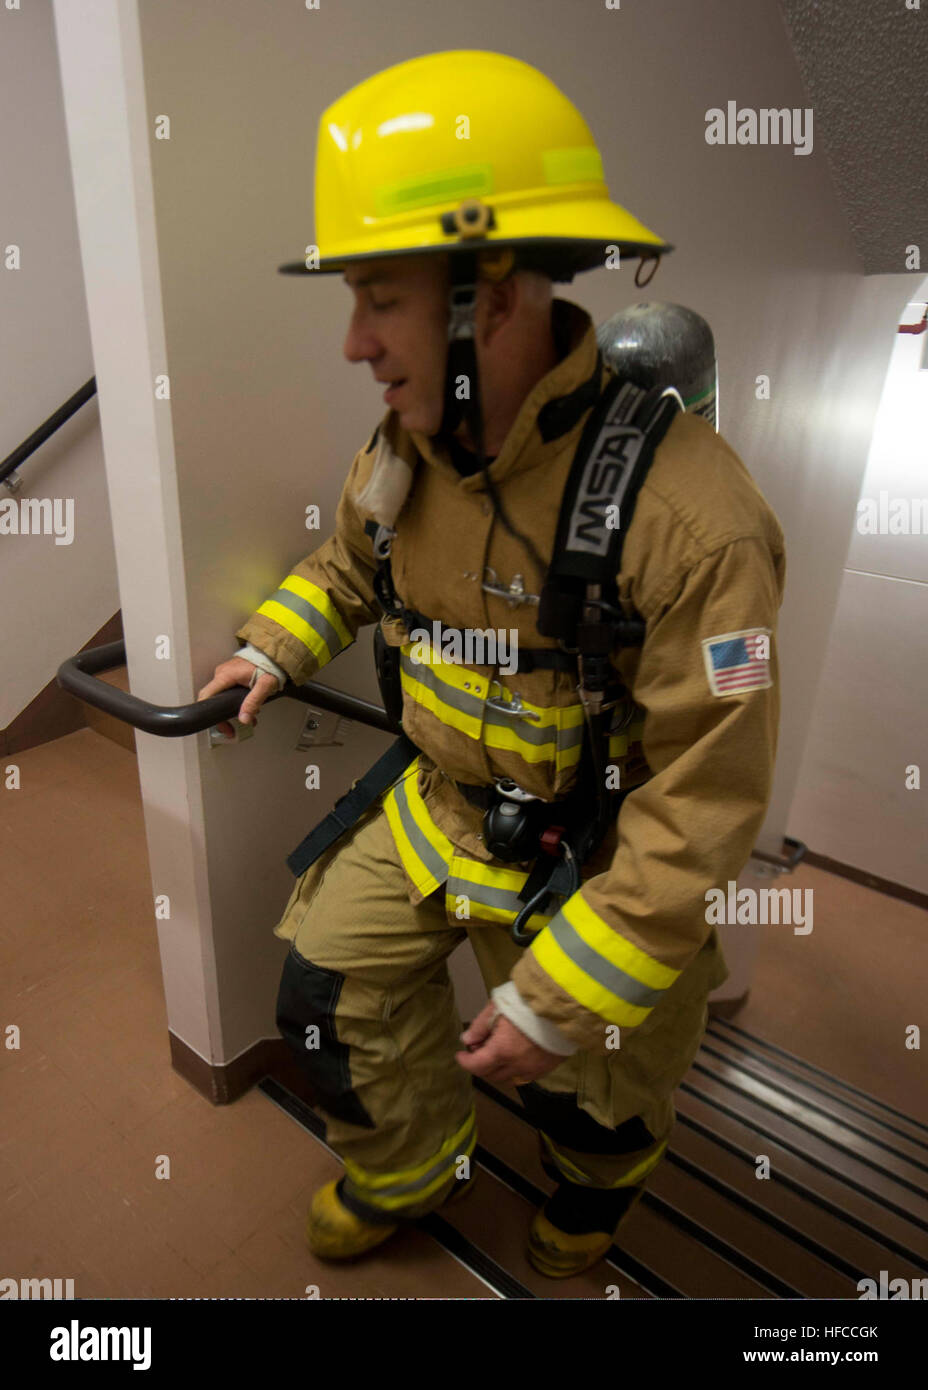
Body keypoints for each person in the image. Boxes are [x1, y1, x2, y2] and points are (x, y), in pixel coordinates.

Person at [197, 50, 786, 1280]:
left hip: (605, 856)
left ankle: (590, 1195)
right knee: (323, 993)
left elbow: (708, 797)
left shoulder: (696, 518)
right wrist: (269, 645)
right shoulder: (409, 440)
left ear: (491, 295)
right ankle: (410, 1171)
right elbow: (347, 563)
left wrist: (552, 997)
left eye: (381, 299)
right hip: (443, 808)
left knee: (596, 1088)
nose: (355, 341)